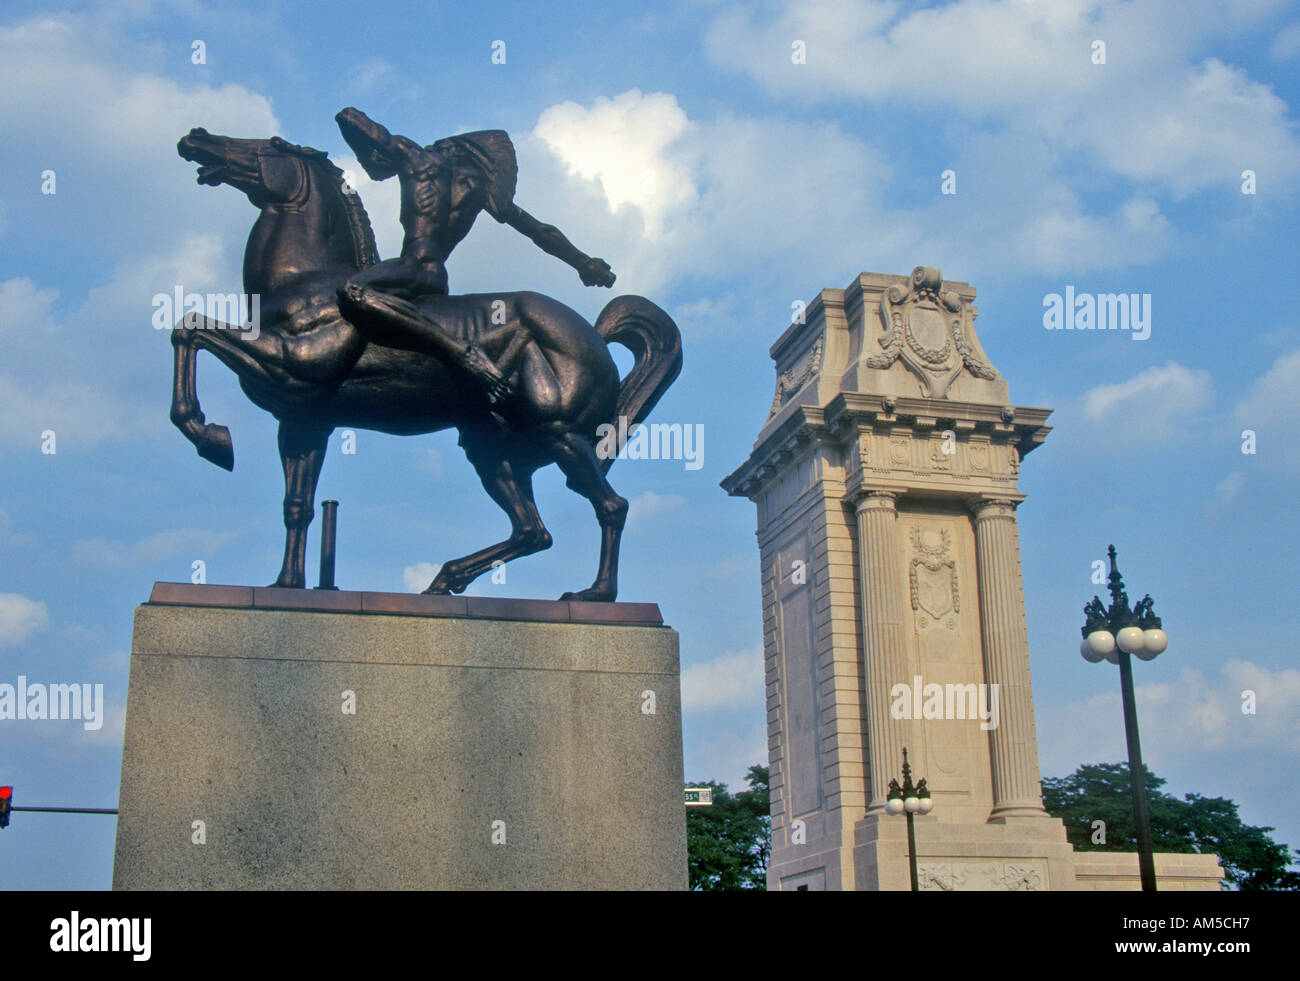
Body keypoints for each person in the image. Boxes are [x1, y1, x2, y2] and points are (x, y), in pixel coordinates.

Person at [334, 107, 615, 403]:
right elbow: (541, 232)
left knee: (352, 289)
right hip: (437, 280)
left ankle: (461, 351)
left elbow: (350, 118)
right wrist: (584, 263)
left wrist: (364, 147)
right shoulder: (480, 190)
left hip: (411, 267)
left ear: (450, 148)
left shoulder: (420, 161)